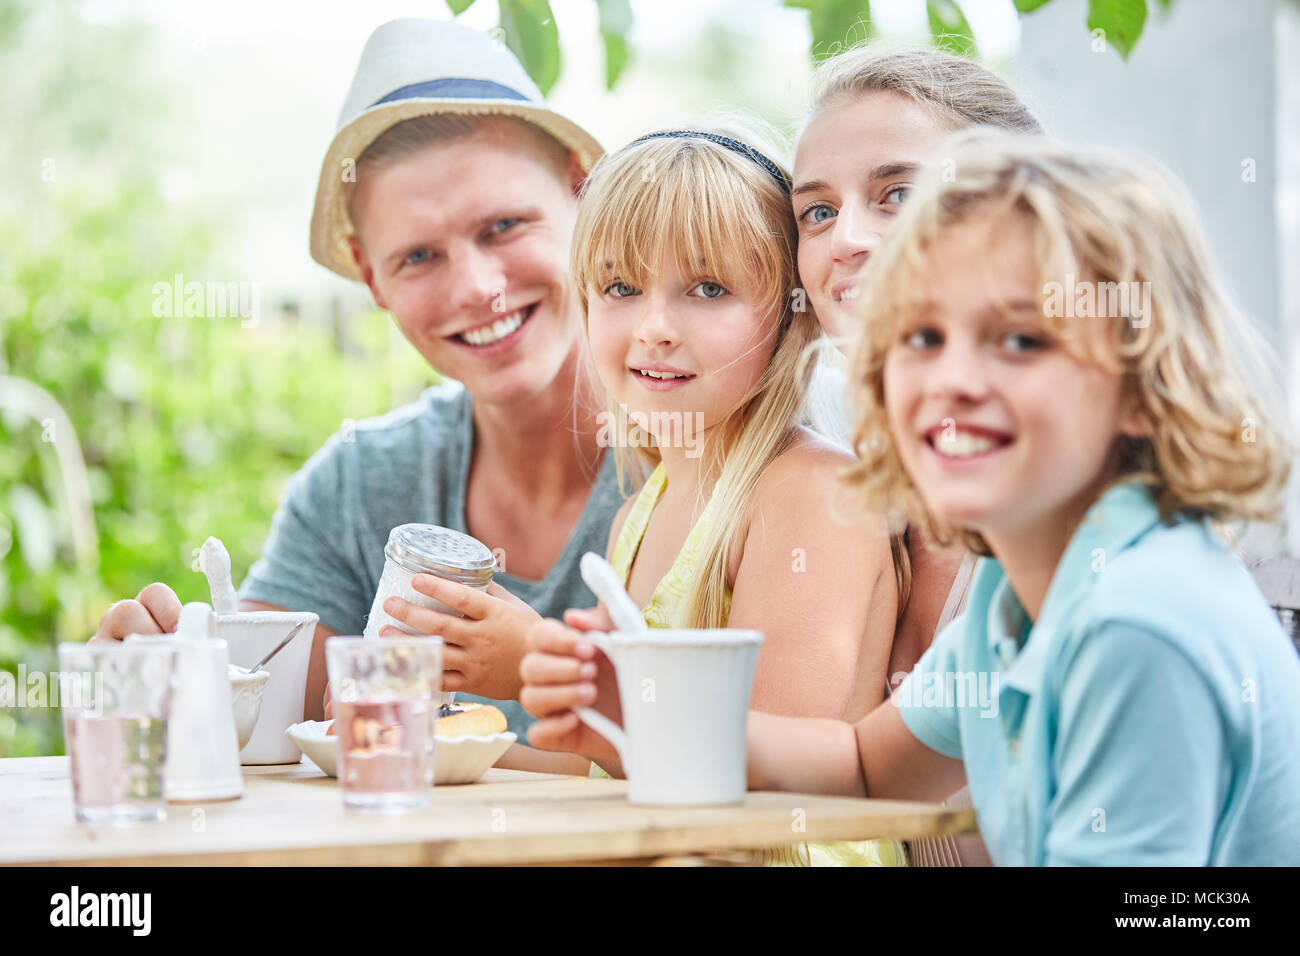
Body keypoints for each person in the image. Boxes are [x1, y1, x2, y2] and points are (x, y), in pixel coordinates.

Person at [524, 131, 1300, 864]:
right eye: (923, 338)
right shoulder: (1016, 594)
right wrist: (640, 709)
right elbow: (863, 764)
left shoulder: (1135, 625)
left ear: (1143, 389)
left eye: (1022, 340)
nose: (953, 381)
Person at [91, 19, 623, 761]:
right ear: (370, 277)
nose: (477, 288)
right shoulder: (356, 488)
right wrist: (154, 680)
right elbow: (264, 720)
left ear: (583, 195)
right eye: (417, 257)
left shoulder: (709, 457)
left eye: (503, 225)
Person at [531, 122, 901, 864]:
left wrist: (544, 670)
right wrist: (428, 749)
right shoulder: (638, 514)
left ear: (793, 315)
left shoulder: (808, 496)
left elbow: (761, 782)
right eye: (620, 287)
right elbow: (602, 767)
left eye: (708, 289)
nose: (656, 327)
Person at [790, 42, 1044, 865]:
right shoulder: (829, 460)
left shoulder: (1086, 537)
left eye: (897, 193)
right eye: (816, 212)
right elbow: (866, 770)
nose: (847, 240)